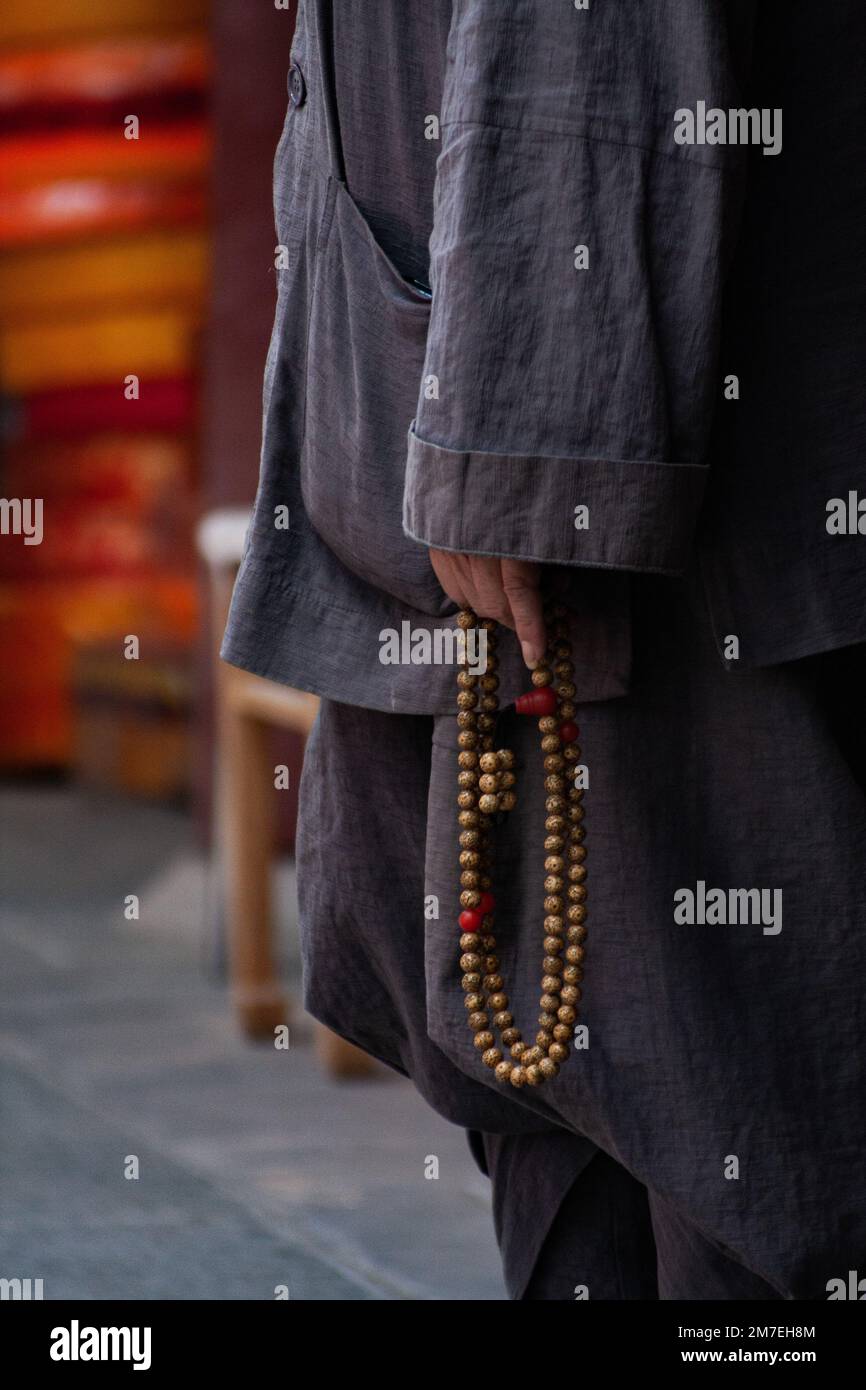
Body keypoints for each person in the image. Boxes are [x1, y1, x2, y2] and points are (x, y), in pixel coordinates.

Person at [223, 0, 866, 1299]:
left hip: (625, 460)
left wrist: (524, 438)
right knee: (555, 1103)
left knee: (724, 1120)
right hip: (468, 402)